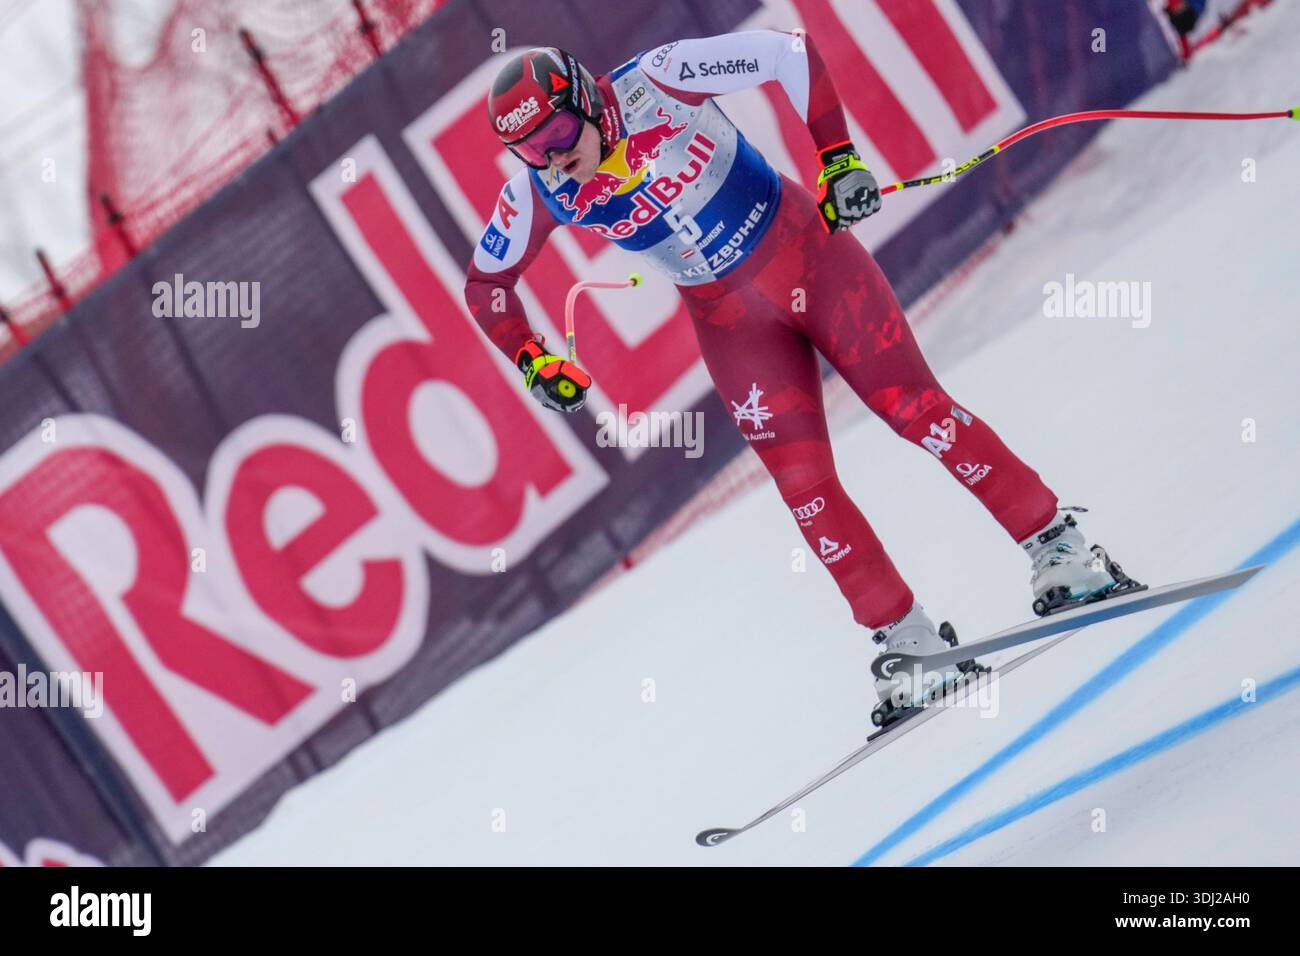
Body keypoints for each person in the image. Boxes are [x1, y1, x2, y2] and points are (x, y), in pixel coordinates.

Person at [464, 35, 1133, 717]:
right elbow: (487, 283)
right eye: (529, 150)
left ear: (584, 98)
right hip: (733, 328)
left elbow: (790, 54)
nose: (552, 156)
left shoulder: (656, 80)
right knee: (803, 487)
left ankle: (1062, 548)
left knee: (914, 409)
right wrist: (529, 358)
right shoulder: (540, 190)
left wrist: (838, 158)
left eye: (556, 132)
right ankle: (905, 638)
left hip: (810, 262)